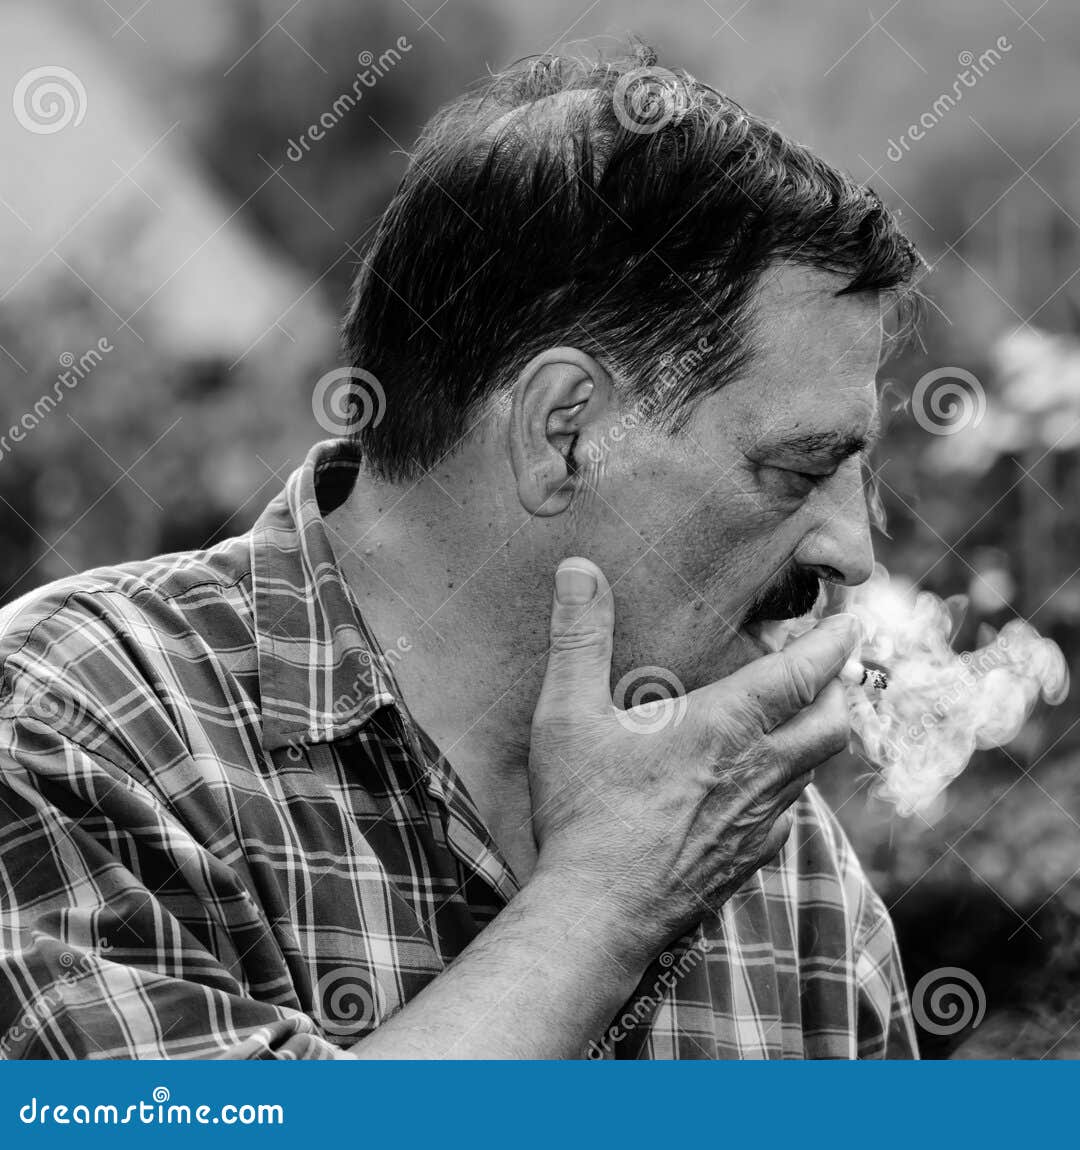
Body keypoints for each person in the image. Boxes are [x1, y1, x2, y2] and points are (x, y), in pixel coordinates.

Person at [0, 45, 923, 1059]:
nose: (853, 551)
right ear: (564, 431)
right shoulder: (68, 726)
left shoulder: (777, 861)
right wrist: (609, 898)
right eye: (797, 469)